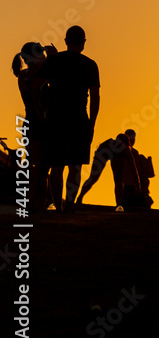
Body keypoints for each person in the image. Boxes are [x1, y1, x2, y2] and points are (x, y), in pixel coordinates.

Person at [34, 26, 100, 212]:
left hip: (55, 119)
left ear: (65, 41)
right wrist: (92, 123)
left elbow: (36, 86)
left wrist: (40, 109)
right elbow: (95, 97)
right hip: (79, 119)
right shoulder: (90, 64)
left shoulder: (54, 61)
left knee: (57, 165)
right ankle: (69, 205)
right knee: (75, 166)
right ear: (84, 42)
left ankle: (59, 205)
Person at [12, 42, 55, 212]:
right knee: (37, 165)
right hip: (35, 123)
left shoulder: (33, 73)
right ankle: (31, 203)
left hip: (36, 122)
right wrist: (50, 60)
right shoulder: (27, 75)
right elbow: (40, 78)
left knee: (42, 166)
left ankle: (39, 203)